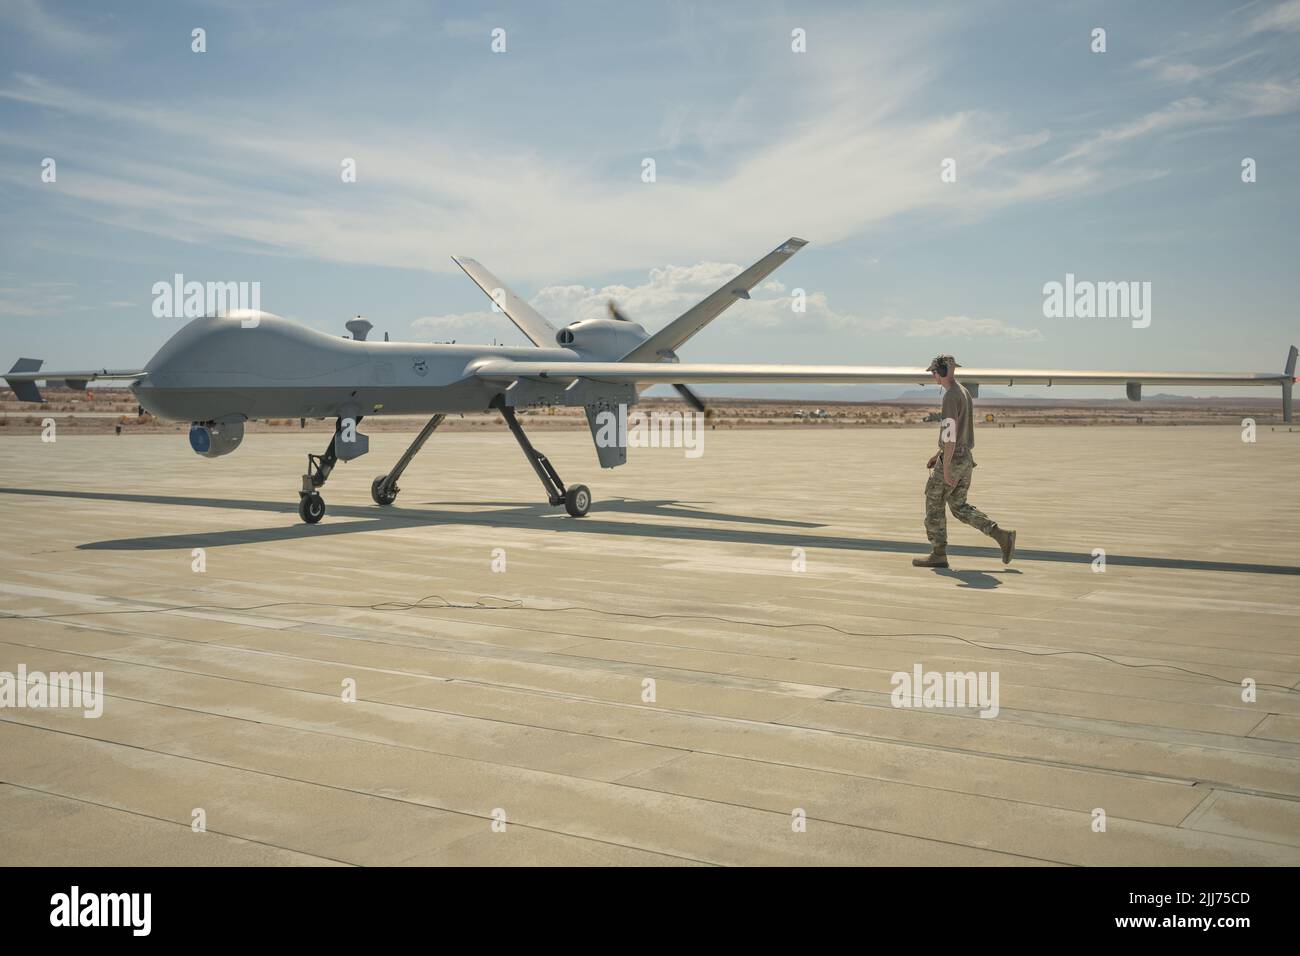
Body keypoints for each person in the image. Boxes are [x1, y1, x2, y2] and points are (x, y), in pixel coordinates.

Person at [912, 354, 1016, 568]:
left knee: (934, 504)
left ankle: (938, 553)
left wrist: (946, 466)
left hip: (954, 459)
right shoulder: (964, 392)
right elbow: (955, 433)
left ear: (939, 372)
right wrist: (938, 454)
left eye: (934, 372)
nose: (933, 376)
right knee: (959, 506)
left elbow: (950, 436)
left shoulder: (950, 396)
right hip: (965, 458)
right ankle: (1001, 535)